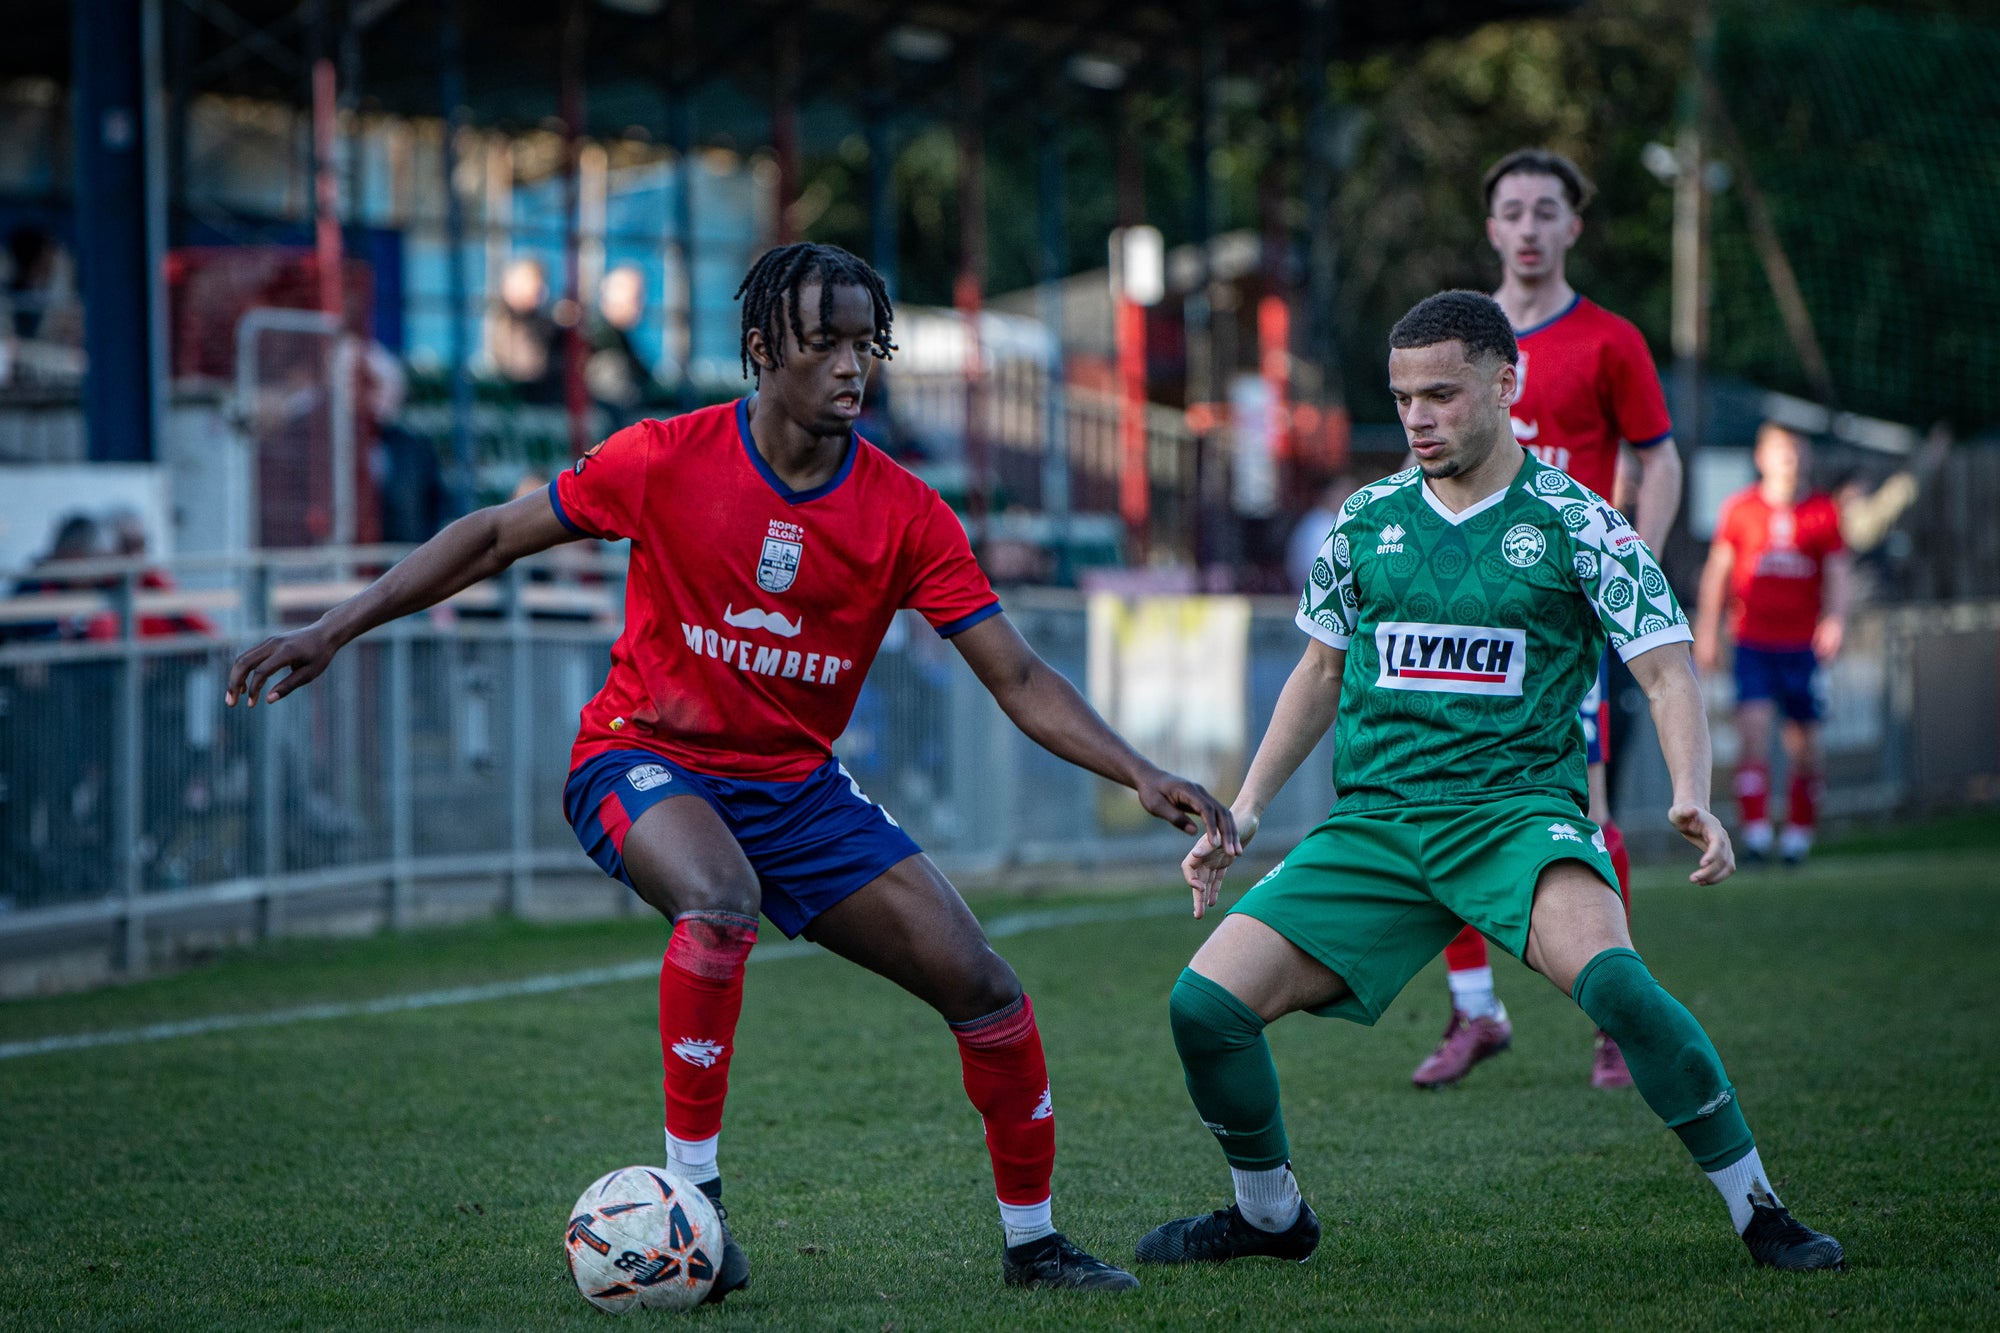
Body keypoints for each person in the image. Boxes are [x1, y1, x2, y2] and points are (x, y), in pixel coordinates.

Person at [225, 241, 1237, 1298]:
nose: (851, 366)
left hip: (795, 788)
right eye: (825, 342)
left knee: (985, 987)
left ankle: (1035, 1247)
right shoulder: (663, 456)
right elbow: (489, 538)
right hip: (640, 754)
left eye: (866, 344)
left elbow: (1017, 676)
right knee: (717, 898)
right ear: (761, 347)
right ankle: (695, 1204)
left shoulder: (906, 512)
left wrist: (1136, 770)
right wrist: (332, 629)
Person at [1135, 290, 1843, 1275]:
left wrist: (1691, 789)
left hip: (1516, 818)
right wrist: (1244, 810)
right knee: (1203, 1007)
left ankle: (1760, 1210)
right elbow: (1319, 672)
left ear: (1506, 385)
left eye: (1441, 394)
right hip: (1377, 826)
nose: (1417, 419)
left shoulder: (1579, 520)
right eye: (1402, 399)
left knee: (1619, 987)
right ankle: (1268, 1215)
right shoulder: (1365, 520)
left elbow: (1665, 669)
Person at [1407, 148, 1686, 1092]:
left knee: (1586, 808)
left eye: (1546, 210)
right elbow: (1421, 458)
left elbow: (1660, 457)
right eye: (1513, 211)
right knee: (1443, 796)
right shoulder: (1454, 340)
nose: (1529, 227)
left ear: (1573, 225)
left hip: (1563, 621)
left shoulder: (1610, 340)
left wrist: (1632, 566)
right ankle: (1476, 1010)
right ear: (1492, 228)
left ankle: (1618, 1018)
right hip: (1463, 615)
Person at [1693, 424, 1850, 866]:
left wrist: (1836, 619)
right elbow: (1718, 571)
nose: (1789, 459)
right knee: (1753, 732)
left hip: (1802, 647)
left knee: (1806, 746)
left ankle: (1798, 838)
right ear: (1761, 457)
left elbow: (1839, 572)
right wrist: (1708, 629)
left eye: (1797, 450)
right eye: (1781, 450)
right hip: (1753, 643)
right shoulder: (1740, 509)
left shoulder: (1822, 511)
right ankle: (1757, 837)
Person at [1285, 476, 1358, 595]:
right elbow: (1311, 569)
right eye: (1343, 492)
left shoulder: (1331, 520)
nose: (1346, 498)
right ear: (1329, 494)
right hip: (1313, 595)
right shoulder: (1317, 523)